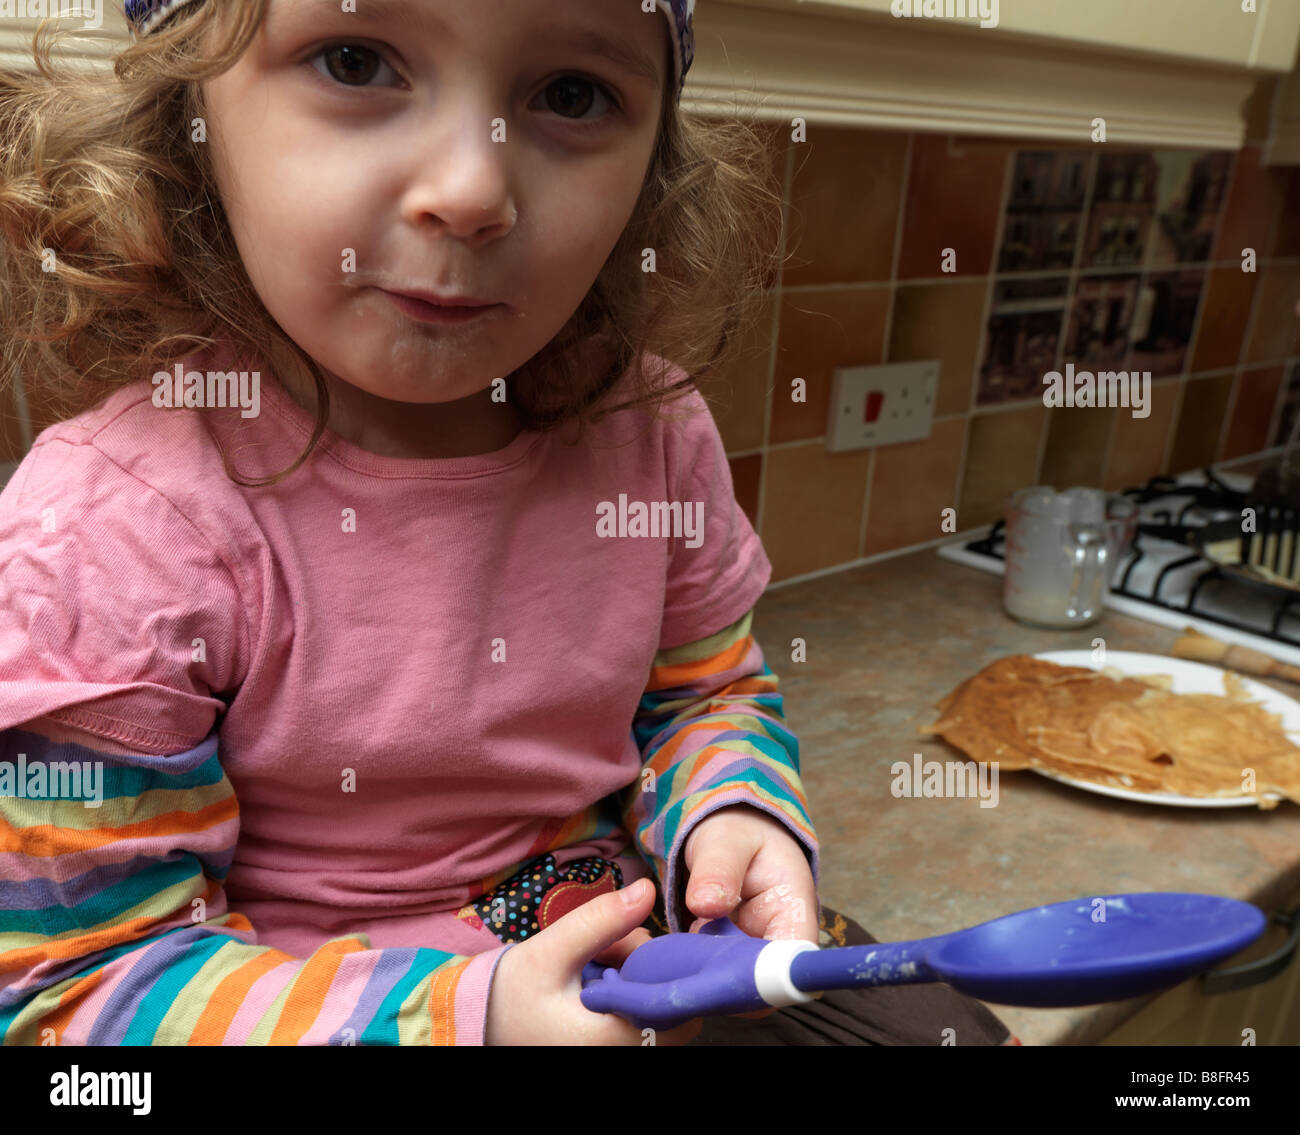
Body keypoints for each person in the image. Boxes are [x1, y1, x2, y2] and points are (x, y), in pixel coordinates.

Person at [0, 0, 1016, 1046]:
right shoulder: (104, 538)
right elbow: (82, 991)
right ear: (185, 119)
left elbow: (703, 695)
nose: (472, 192)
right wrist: (466, 1019)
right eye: (355, 62)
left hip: (656, 975)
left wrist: (733, 812)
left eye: (570, 95)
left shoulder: (652, 432)